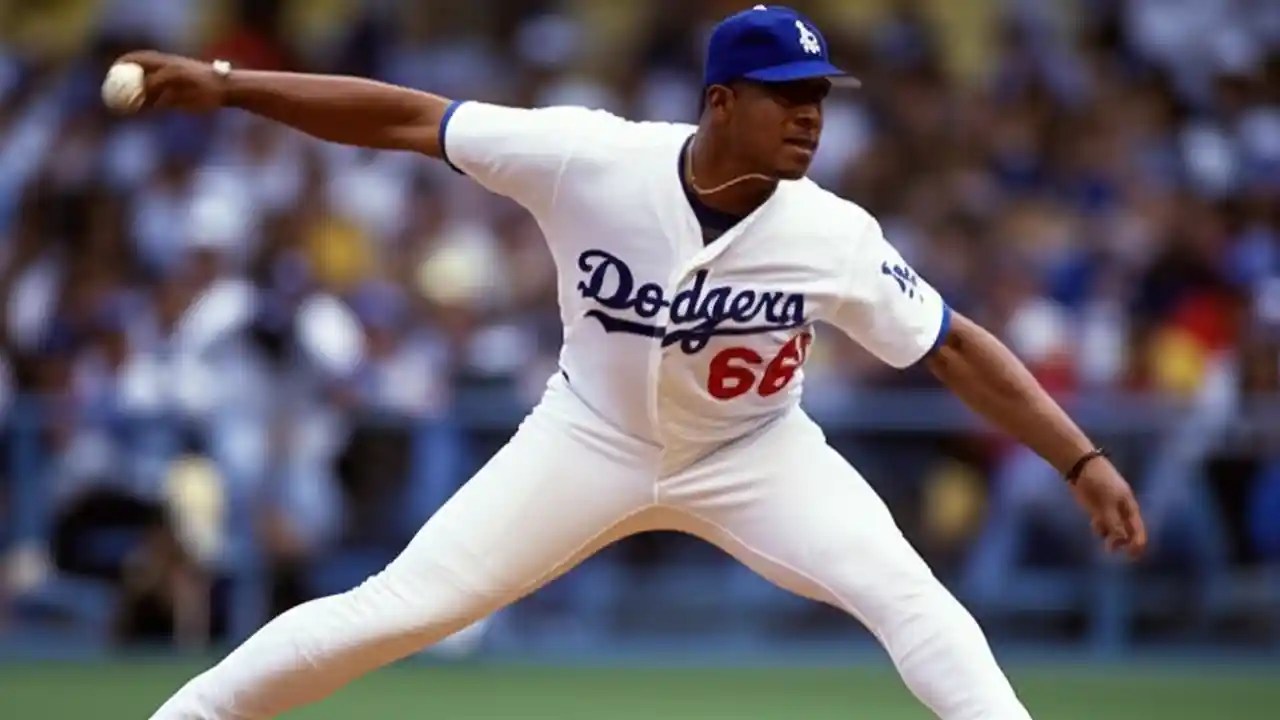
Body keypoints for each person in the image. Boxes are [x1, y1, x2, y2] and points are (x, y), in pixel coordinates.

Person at [128, 6, 1146, 719]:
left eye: (817, 96)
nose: (809, 115)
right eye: (783, 93)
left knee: (912, 600)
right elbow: (404, 117)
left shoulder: (831, 233)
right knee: (395, 613)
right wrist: (227, 85)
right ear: (716, 103)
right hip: (588, 438)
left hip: (758, 456)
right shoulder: (588, 157)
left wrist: (1080, 460)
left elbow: (954, 346)